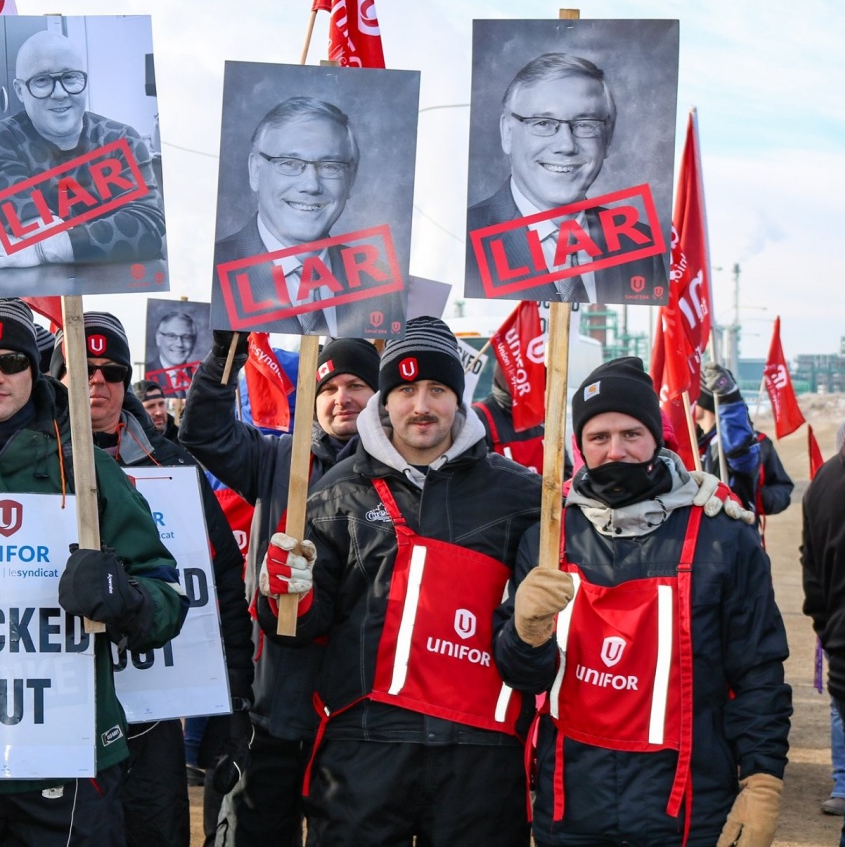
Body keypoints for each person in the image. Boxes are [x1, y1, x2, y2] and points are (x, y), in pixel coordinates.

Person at [0, 298, 186, 846]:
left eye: (12, 361)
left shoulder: (89, 468)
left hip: (66, 763)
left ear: (33, 369)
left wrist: (127, 598)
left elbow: (166, 592)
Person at [254, 317, 541, 846]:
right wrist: (283, 594)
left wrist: (697, 495)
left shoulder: (521, 494)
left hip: (478, 751)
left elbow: (602, 518)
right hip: (364, 745)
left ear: (458, 397)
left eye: (437, 389)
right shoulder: (338, 491)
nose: (422, 406)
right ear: (384, 400)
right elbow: (296, 629)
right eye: (405, 390)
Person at [495, 357, 791, 847]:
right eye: (599, 437)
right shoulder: (548, 537)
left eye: (632, 434)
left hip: (687, 810)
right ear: (580, 446)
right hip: (571, 807)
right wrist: (524, 635)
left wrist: (762, 779)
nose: (616, 451)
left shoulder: (722, 536)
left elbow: (758, 671)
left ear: (658, 436)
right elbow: (522, 678)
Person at [50, 313, 253, 847]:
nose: (98, 381)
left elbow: (221, 585)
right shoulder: (22, 464)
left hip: (153, 710)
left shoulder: (173, 465)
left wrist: (234, 699)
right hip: (52, 712)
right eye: (82, 368)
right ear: (56, 376)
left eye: (112, 371)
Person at [180, 329, 382, 846]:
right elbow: (204, 433)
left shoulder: (396, 472)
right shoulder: (277, 459)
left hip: (358, 715)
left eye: (357, 385)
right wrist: (225, 360)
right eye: (329, 388)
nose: (342, 399)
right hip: (272, 706)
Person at [465, 52, 661, 304]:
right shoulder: (465, 240)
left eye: (585, 124)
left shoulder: (640, 247)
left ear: (608, 137)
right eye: (543, 123)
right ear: (507, 133)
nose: (566, 145)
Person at [0, 30, 164, 269]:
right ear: (20, 90)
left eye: (70, 78)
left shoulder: (122, 139)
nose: (60, 93)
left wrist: (44, 250)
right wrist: (95, 239)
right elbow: (21, 212)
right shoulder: (3, 136)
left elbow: (148, 225)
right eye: (42, 80)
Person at [213, 97, 368, 336]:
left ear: (352, 178)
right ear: (255, 170)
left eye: (330, 166)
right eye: (289, 163)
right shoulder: (214, 276)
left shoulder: (379, 285)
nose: (311, 185)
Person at [802, 418, 845, 844]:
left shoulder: (824, 480)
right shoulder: (832, 481)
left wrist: (831, 633)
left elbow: (811, 571)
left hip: (844, 650)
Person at [694, 363, 794, 527]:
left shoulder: (753, 442)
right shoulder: (693, 442)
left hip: (734, 536)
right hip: (698, 538)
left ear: (704, 400)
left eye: (693, 395)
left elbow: (738, 447)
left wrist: (755, 497)